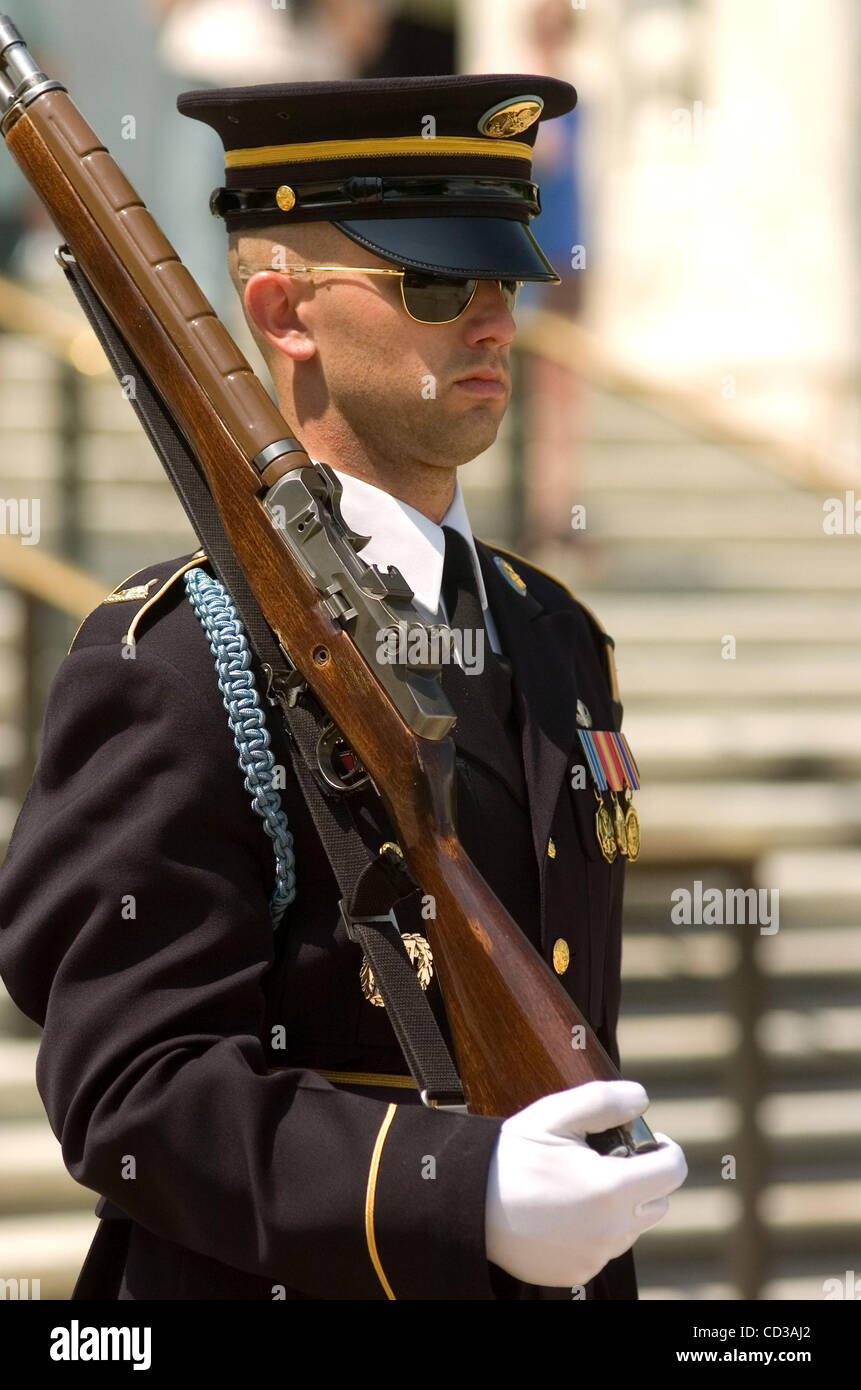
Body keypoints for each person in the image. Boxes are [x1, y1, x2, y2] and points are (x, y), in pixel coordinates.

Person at [0, 73, 686, 1301]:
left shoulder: (554, 633)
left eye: (504, 280)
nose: (492, 321)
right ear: (283, 311)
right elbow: (131, 1089)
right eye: (435, 285)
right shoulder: (174, 654)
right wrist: (452, 1187)